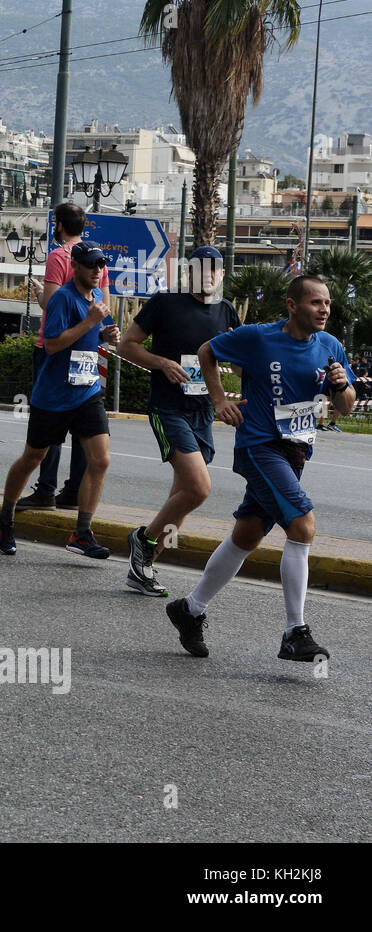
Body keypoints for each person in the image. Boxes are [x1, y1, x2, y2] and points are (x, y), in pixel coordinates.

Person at [166, 276, 356, 662]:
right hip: (260, 445)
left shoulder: (331, 346)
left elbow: (347, 407)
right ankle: (294, 632)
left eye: (328, 303)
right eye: (316, 302)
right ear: (292, 305)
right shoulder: (258, 337)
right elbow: (207, 351)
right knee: (302, 524)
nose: (324, 310)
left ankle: (190, 609)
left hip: (297, 451)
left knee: (248, 534)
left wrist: (341, 386)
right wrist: (219, 401)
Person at [118, 246, 240, 597]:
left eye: (214, 270)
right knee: (199, 488)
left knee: (183, 493)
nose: (208, 275)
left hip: (202, 412)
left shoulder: (225, 311)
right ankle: (142, 539)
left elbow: (243, 357)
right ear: (189, 272)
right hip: (168, 408)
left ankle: (143, 567)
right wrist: (161, 363)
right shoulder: (165, 302)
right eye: (201, 268)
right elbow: (128, 346)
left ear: (221, 275)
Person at [0, 240, 119, 559]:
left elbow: (92, 336)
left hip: (86, 391)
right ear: (74, 266)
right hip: (53, 396)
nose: (96, 270)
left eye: (100, 264)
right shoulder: (62, 299)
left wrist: (106, 335)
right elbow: (51, 345)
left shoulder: (99, 297)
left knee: (101, 459)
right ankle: (4, 517)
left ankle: (82, 533)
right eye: (91, 264)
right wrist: (91, 322)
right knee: (33, 458)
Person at [16, 203, 111, 512]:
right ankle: (74, 491)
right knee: (86, 427)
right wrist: (101, 330)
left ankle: (46, 489)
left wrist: (40, 291)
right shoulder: (99, 262)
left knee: (51, 423)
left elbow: (53, 304)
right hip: (87, 352)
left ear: (58, 226)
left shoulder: (60, 257)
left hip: (55, 349)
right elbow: (102, 308)